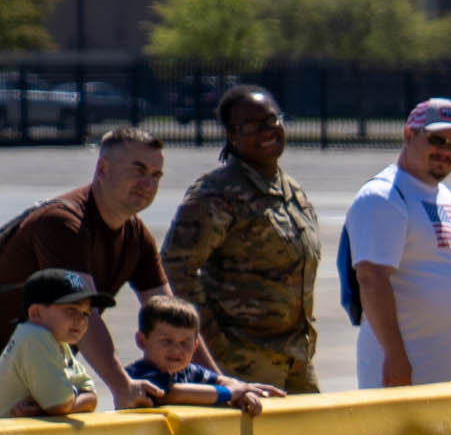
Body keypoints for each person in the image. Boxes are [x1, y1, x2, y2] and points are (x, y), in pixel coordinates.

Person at [0, 126, 185, 410]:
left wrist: (223, 384)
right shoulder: (63, 222)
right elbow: (90, 321)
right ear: (102, 167)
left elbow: (175, 321)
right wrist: (122, 386)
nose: (148, 184)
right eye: (138, 170)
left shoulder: (135, 235)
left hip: (38, 377)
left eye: (156, 176)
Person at [160, 85, 323, 392]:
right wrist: (211, 342)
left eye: (272, 120)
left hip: (295, 357)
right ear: (232, 137)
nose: (267, 131)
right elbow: (177, 267)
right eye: (251, 125)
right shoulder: (217, 193)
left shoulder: (291, 190)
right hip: (243, 360)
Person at [342, 101, 451, 389]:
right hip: (407, 376)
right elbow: (371, 278)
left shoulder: (446, 196)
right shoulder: (384, 195)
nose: (446, 151)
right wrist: (396, 357)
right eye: (437, 140)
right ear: (408, 135)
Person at [127, 292, 282, 413]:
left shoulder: (190, 372)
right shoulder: (140, 374)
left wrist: (243, 393)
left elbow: (221, 381)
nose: (176, 350)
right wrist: (230, 392)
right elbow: (172, 394)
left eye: (184, 343)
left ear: (195, 347)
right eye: (166, 341)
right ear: (142, 341)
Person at [0, 267, 109, 417]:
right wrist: (71, 400)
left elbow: (92, 396)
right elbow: (59, 405)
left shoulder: (59, 343)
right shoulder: (34, 337)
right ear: (36, 313)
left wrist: (44, 410)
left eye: (86, 313)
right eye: (71, 310)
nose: (81, 320)